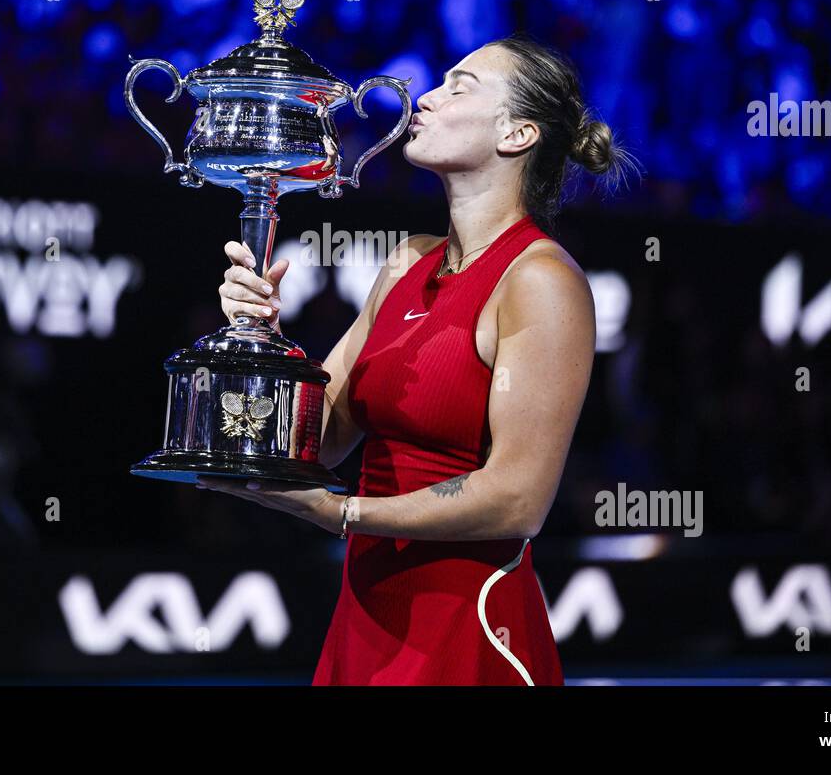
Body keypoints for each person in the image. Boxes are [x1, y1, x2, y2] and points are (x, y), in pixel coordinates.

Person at [198, 33, 636, 685]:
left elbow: (517, 501)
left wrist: (341, 514)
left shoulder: (540, 281)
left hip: (469, 634)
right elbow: (314, 443)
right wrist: (260, 339)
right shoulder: (405, 262)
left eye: (460, 86)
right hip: (362, 626)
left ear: (517, 134)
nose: (425, 97)